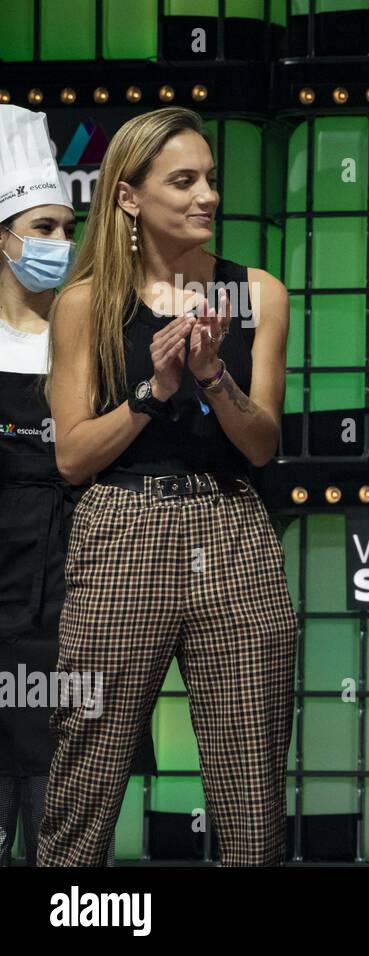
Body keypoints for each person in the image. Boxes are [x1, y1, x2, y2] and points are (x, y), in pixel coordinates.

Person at [38, 107, 296, 866]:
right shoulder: (85, 304)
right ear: (127, 196)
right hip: (122, 530)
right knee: (84, 787)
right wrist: (155, 388)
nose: (206, 196)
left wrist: (214, 375)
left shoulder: (258, 293)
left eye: (210, 179)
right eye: (183, 181)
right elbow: (73, 458)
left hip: (233, 529)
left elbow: (262, 444)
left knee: (253, 800)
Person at [0, 105, 156, 866]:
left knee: (67, 843)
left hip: (84, 613)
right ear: (2, 239)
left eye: (69, 228)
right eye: (44, 229)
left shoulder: (104, 336)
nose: (62, 245)